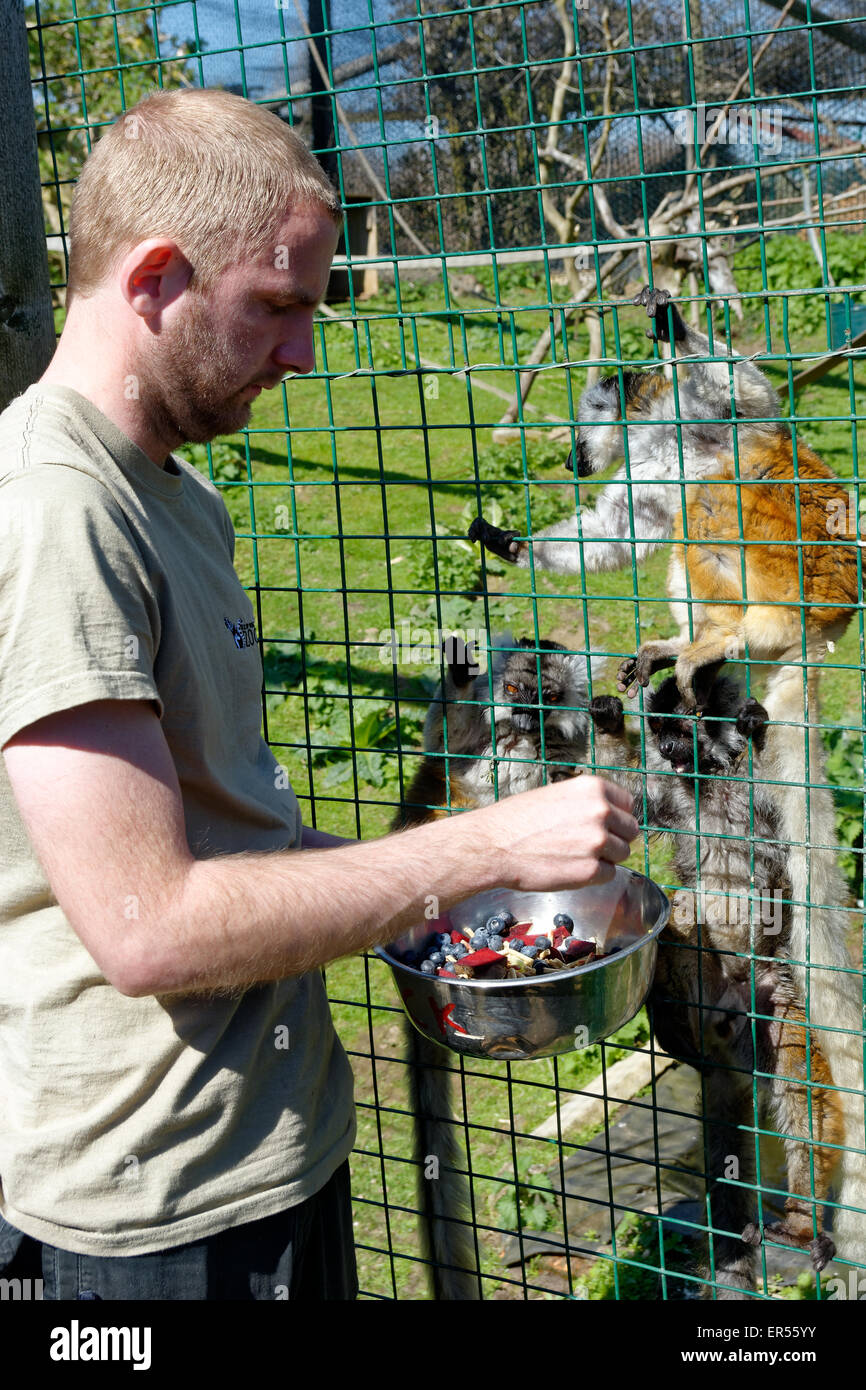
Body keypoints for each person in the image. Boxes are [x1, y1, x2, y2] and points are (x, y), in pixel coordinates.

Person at [0, 87, 639, 1301]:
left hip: (268, 1152)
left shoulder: (173, 497)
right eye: (278, 306)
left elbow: (231, 829)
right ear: (154, 281)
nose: (302, 352)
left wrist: (460, 901)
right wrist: (483, 840)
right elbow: (151, 927)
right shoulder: (55, 513)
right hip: (148, 1224)